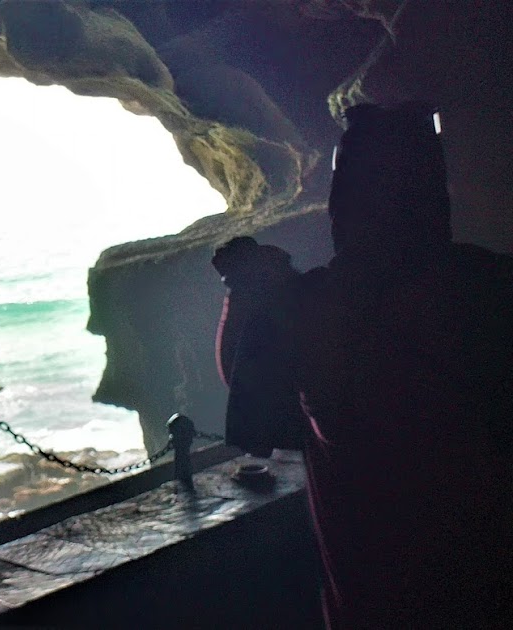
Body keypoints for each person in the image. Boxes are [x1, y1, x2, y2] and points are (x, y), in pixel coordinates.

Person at [216, 103, 513, 628]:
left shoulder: (303, 308)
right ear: (436, 192)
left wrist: (248, 296)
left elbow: (256, 414)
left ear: (341, 204)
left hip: (368, 604)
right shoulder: (489, 287)